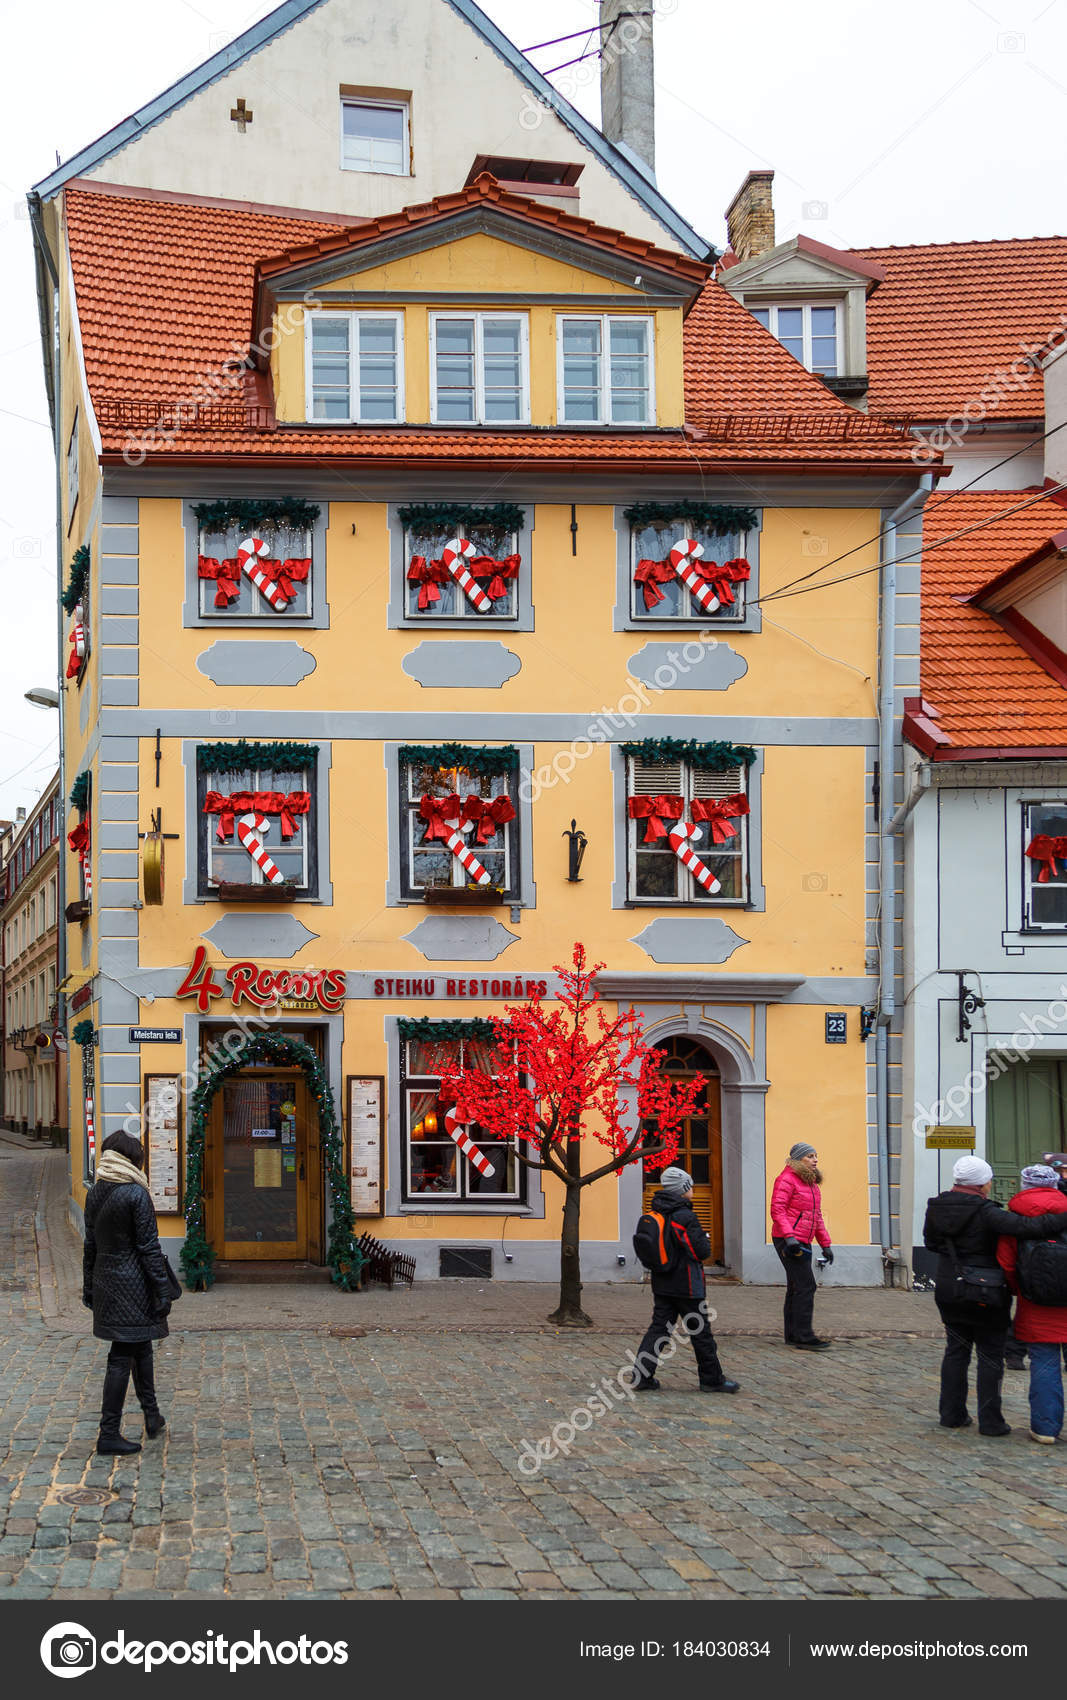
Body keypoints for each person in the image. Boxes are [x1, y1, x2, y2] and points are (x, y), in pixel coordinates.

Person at [923, 1155, 1062, 1436]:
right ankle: (991, 1421)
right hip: (986, 1290)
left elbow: (931, 1243)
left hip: (950, 1287)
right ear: (983, 1183)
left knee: (956, 1351)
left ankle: (951, 1414)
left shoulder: (936, 1207)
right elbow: (1028, 1228)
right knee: (989, 1356)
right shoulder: (987, 1212)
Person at [82, 1130, 175, 1455]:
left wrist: (88, 1286)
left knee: (141, 1348)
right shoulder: (136, 1194)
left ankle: (152, 1415)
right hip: (134, 1284)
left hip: (107, 1282)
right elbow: (149, 1248)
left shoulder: (95, 1193)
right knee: (122, 1355)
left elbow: (90, 1245)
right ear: (132, 1160)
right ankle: (108, 1433)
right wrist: (162, 1289)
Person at [631, 1167, 739, 1394]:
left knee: (659, 1328)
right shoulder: (684, 1216)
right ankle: (712, 1379)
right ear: (683, 1190)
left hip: (662, 1282)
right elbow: (700, 1251)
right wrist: (704, 1239)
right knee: (701, 1333)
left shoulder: (658, 1211)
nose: (694, 1189)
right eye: (690, 1186)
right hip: (687, 1285)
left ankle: (641, 1375)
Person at [997, 1163, 1067, 1444]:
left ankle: (1045, 1428)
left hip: (1036, 1302)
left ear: (1024, 1185)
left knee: (1044, 1364)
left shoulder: (1015, 1217)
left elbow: (1006, 1263)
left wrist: (1020, 1290)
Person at [1005, 1153, 1067, 1370]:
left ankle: (1014, 1354)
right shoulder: (1062, 1204)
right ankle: (1014, 1353)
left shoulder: (1015, 1214)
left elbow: (1006, 1260)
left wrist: (1017, 1286)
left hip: (1031, 1288)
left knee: (1043, 1356)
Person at [770, 1141, 833, 1349]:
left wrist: (825, 1244)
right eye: (810, 1156)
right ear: (798, 1159)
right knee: (807, 1285)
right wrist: (789, 1238)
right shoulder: (786, 1179)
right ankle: (805, 1337)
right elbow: (777, 1210)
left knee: (796, 1286)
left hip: (802, 1240)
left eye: (816, 1156)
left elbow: (816, 1218)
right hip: (788, 1241)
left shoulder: (811, 1184)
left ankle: (793, 1335)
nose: (815, 1160)